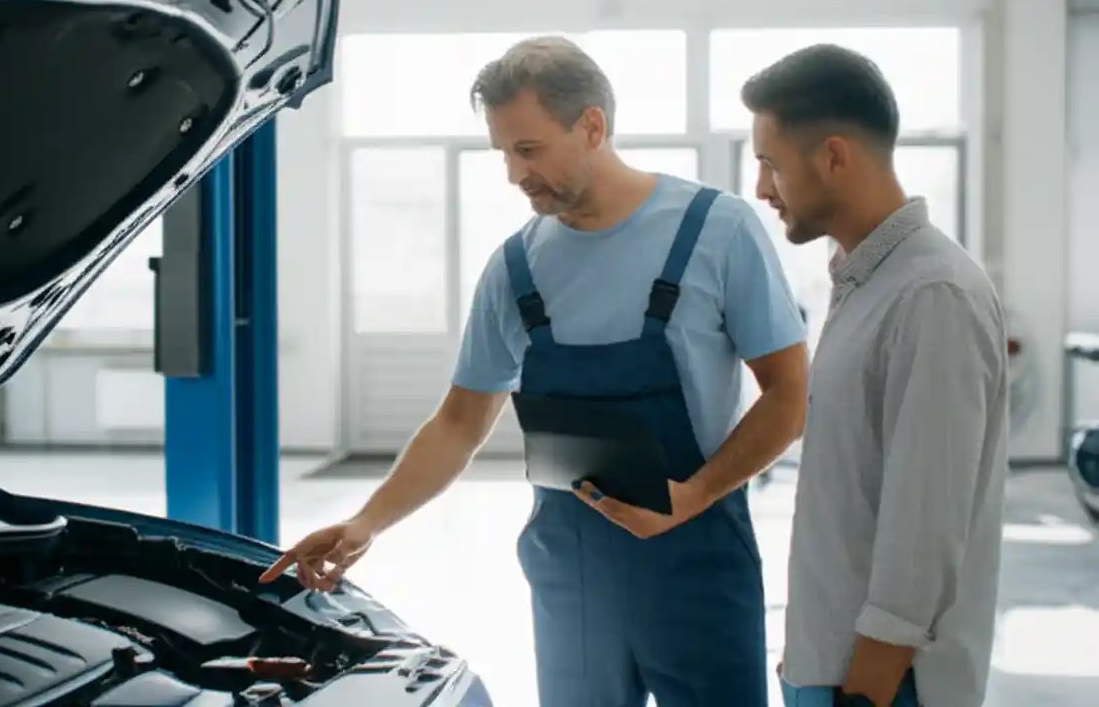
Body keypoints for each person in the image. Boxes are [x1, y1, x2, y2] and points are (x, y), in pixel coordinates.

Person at [261, 35, 809, 706]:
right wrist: (367, 522)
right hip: (572, 576)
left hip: (696, 564)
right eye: (503, 152)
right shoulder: (515, 267)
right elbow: (461, 421)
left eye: (528, 149)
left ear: (593, 127)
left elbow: (789, 394)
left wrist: (692, 497)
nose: (514, 174)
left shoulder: (717, 231)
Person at [741, 44, 1009, 707]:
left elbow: (923, 529)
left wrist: (865, 691)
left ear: (833, 156)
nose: (761, 189)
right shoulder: (866, 282)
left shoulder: (931, 294)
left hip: (879, 687)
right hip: (829, 665)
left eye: (771, 164)